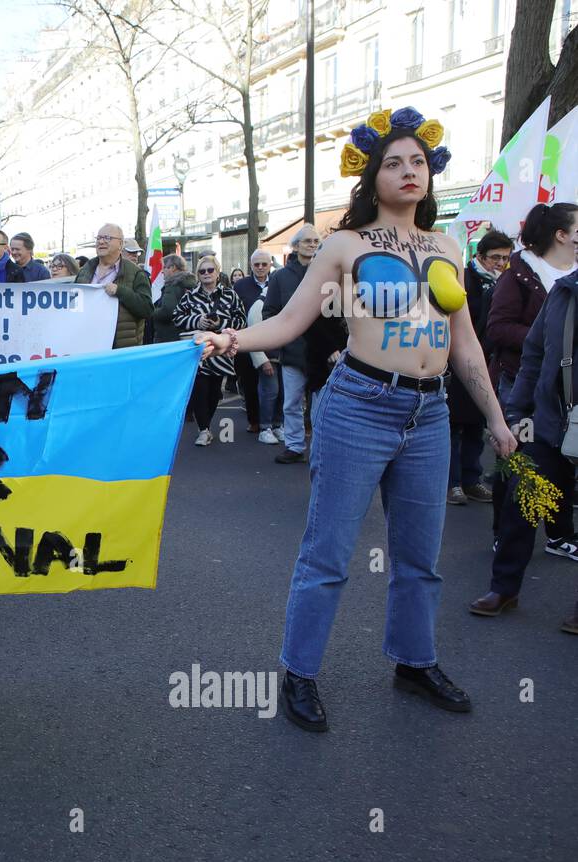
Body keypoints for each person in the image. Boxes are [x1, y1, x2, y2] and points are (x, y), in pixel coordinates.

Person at [193, 107, 517, 732]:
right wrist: (233, 338)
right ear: (372, 177)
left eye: (417, 162)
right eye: (393, 163)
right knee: (329, 553)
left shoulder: (447, 245)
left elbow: (467, 345)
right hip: (358, 407)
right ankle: (300, 672)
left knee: (421, 556)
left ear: (431, 171)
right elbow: (291, 322)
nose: (408, 172)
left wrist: (498, 421)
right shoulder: (346, 245)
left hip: (429, 413)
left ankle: (415, 661)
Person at [469, 215, 578, 618]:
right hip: (548, 419)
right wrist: (516, 411)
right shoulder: (562, 291)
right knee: (522, 503)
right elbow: (532, 354)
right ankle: (504, 589)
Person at [447, 228, 510, 506]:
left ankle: (472, 480)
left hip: (486, 363)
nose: (499, 263)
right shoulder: (464, 278)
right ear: (479, 255)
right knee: (453, 427)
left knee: (475, 425)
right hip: (457, 362)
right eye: (494, 257)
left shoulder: (504, 283)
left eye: (505, 258)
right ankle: (453, 483)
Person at [262, 225, 322, 463]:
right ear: (296, 246)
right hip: (293, 352)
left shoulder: (328, 274)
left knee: (320, 409)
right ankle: (295, 446)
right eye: (307, 241)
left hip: (324, 353)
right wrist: (279, 344)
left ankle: (320, 449)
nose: (312, 245)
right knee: (292, 403)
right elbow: (270, 312)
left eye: (316, 241)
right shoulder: (280, 277)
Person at [174, 254, 246, 445]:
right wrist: (197, 321)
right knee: (199, 390)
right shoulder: (190, 296)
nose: (206, 274)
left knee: (214, 392)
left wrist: (220, 322)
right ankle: (204, 430)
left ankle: (206, 426)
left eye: (210, 270)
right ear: (197, 274)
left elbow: (241, 320)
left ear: (217, 272)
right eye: (202, 271)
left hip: (220, 352)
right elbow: (177, 318)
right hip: (197, 352)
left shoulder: (230, 295)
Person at [75, 223, 153, 348]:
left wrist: (120, 291)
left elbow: (147, 309)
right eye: (99, 238)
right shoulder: (85, 271)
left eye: (107, 238)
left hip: (120, 350)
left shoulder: (136, 273)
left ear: (120, 244)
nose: (101, 242)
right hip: (88, 344)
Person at [233, 251, 276, 440]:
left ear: (269, 265)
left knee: (274, 387)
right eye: (256, 264)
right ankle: (255, 421)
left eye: (264, 264)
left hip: (273, 340)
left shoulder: (276, 282)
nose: (260, 268)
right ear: (251, 265)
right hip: (246, 341)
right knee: (249, 382)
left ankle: (275, 422)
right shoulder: (240, 285)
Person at [153, 253, 196, 345]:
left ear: (173, 267)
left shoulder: (172, 285)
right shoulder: (190, 284)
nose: (162, 271)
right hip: (187, 335)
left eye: (164, 267)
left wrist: (151, 312)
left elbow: (168, 311)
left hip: (169, 338)